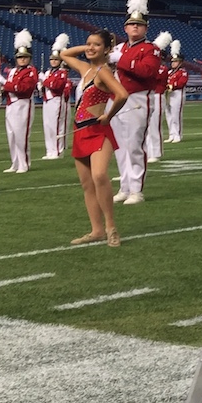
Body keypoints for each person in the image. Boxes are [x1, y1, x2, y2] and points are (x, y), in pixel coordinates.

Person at [58, 31, 126, 247]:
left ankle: (110, 227)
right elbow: (64, 54)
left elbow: (122, 94)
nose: (90, 48)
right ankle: (96, 230)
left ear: (107, 49)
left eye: (97, 45)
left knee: (99, 175)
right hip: (80, 132)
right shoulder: (85, 69)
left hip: (98, 131)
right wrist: (88, 48)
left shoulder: (103, 72)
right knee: (87, 184)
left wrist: (109, 115)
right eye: (89, 44)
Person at [110, 0, 164, 205]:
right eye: (131, 24)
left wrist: (119, 61)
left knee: (134, 144)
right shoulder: (120, 48)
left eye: (139, 24)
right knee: (120, 147)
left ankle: (136, 190)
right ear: (125, 27)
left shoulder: (151, 49)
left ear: (145, 28)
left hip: (137, 99)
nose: (135, 27)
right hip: (117, 99)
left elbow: (147, 71)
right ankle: (125, 186)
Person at [3, 30, 38, 174]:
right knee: (11, 134)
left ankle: (24, 163)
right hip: (11, 103)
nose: (22, 60)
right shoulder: (13, 71)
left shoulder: (31, 71)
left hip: (23, 104)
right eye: (19, 57)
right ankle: (15, 162)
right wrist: (9, 86)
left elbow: (23, 88)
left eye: (25, 57)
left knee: (21, 134)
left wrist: (7, 85)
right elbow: (11, 87)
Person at [40, 34, 72, 160]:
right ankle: (50, 150)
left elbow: (56, 86)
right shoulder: (49, 72)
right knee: (47, 126)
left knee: (56, 126)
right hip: (46, 100)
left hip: (56, 99)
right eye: (52, 59)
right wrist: (41, 85)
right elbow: (45, 87)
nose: (53, 61)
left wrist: (44, 80)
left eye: (56, 60)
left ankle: (58, 151)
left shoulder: (62, 72)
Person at [165, 42, 188, 144]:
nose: (173, 63)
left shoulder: (182, 71)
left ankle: (178, 134)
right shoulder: (169, 72)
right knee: (168, 115)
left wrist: (172, 86)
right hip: (168, 94)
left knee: (176, 115)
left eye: (175, 62)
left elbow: (182, 82)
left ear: (180, 62)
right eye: (172, 61)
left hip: (177, 94)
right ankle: (171, 134)